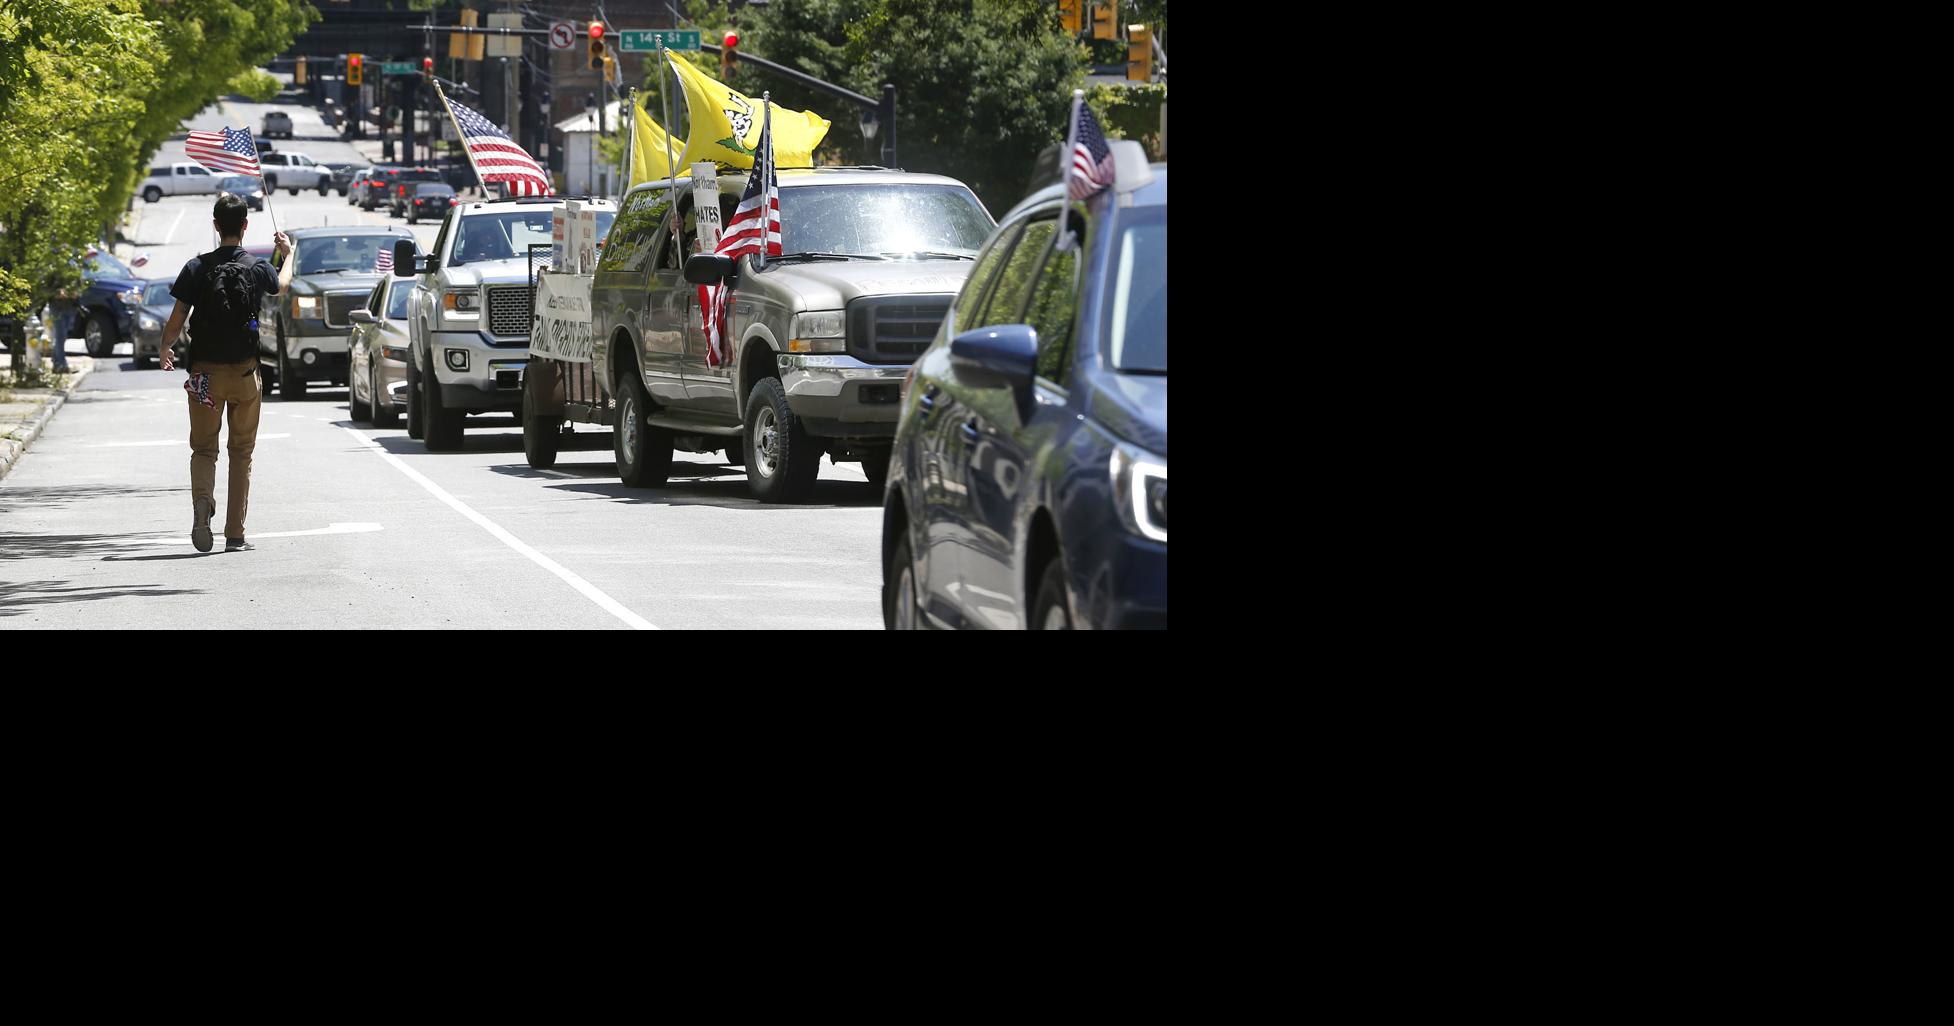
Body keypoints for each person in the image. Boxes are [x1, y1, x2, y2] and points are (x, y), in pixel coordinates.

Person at [158, 193, 294, 553]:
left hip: (204, 376)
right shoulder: (256, 266)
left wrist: (165, 347)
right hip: (246, 373)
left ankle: (202, 506)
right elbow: (282, 285)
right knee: (241, 452)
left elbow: (177, 320)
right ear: (245, 226)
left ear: (216, 226)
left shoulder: (196, 267)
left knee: (204, 449)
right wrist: (289, 254)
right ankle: (235, 532)